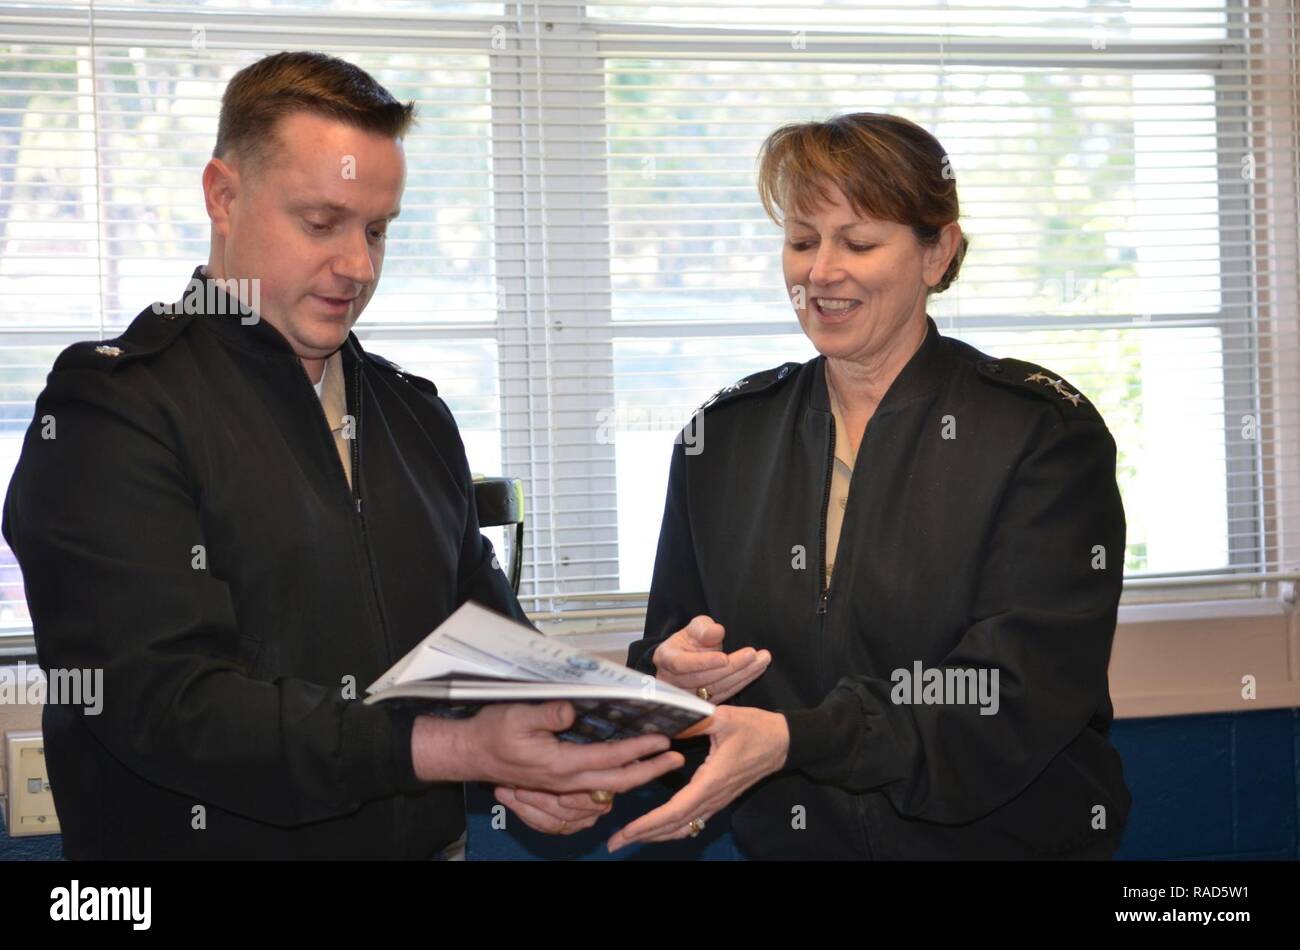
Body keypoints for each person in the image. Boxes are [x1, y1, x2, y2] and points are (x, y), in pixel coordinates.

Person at [2, 51, 682, 860]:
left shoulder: (412, 414)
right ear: (224, 196)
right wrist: (452, 750)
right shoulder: (113, 411)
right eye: (320, 223)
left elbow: (489, 651)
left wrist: (602, 715)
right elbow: (166, 704)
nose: (357, 266)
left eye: (377, 230)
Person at [613, 113, 1132, 859]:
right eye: (800, 241)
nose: (821, 272)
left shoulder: (1037, 434)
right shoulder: (721, 438)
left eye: (858, 242)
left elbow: (1006, 693)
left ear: (937, 252)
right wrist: (676, 683)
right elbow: (663, 667)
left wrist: (798, 738)